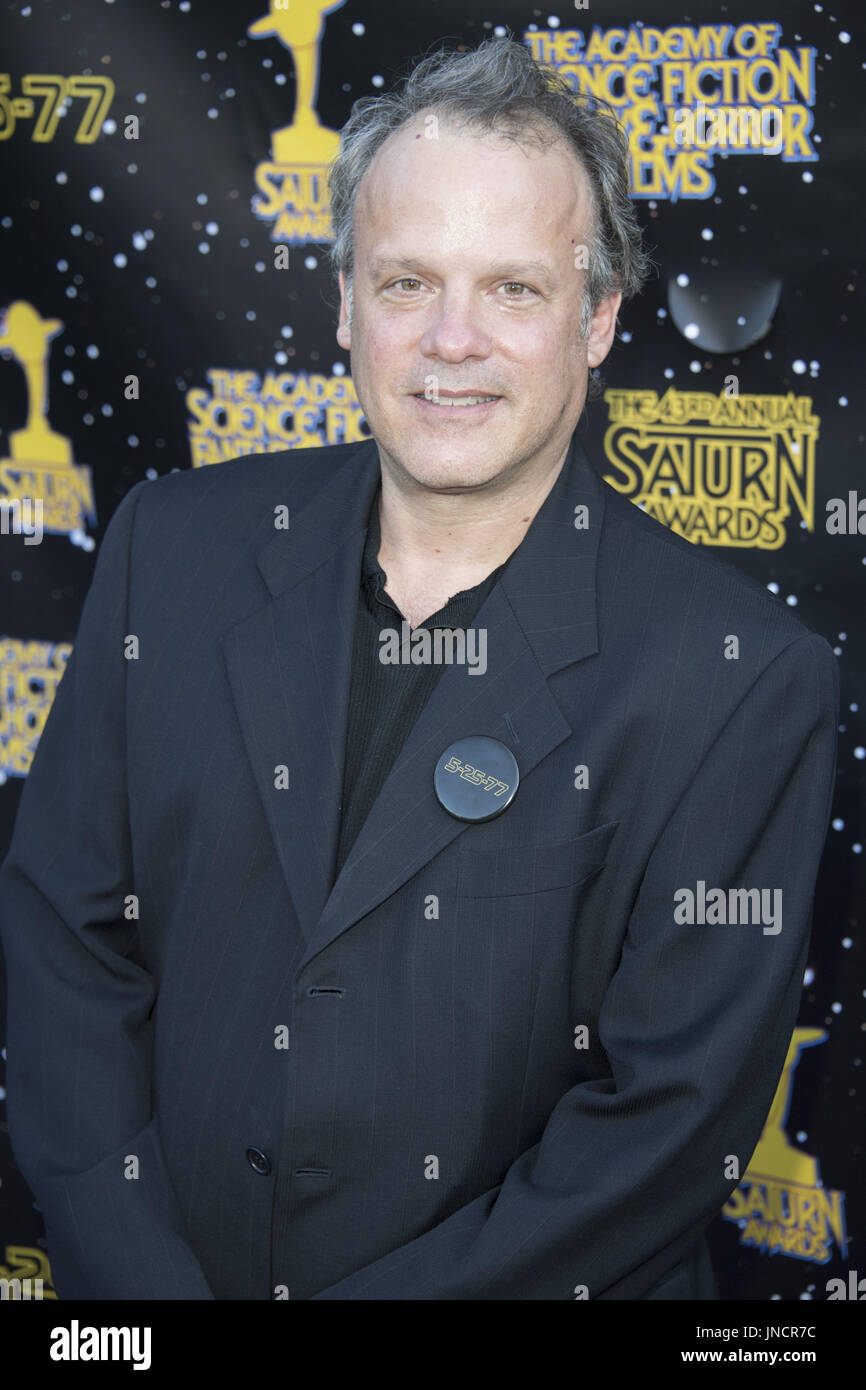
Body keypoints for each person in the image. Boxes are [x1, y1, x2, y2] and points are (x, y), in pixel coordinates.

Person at [0, 36, 838, 1301]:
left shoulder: (738, 678)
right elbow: (67, 946)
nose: (451, 342)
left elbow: (662, 1128)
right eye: (406, 283)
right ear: (343, 302)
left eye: (512, 289)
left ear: (598, 318)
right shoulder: (165, 552)